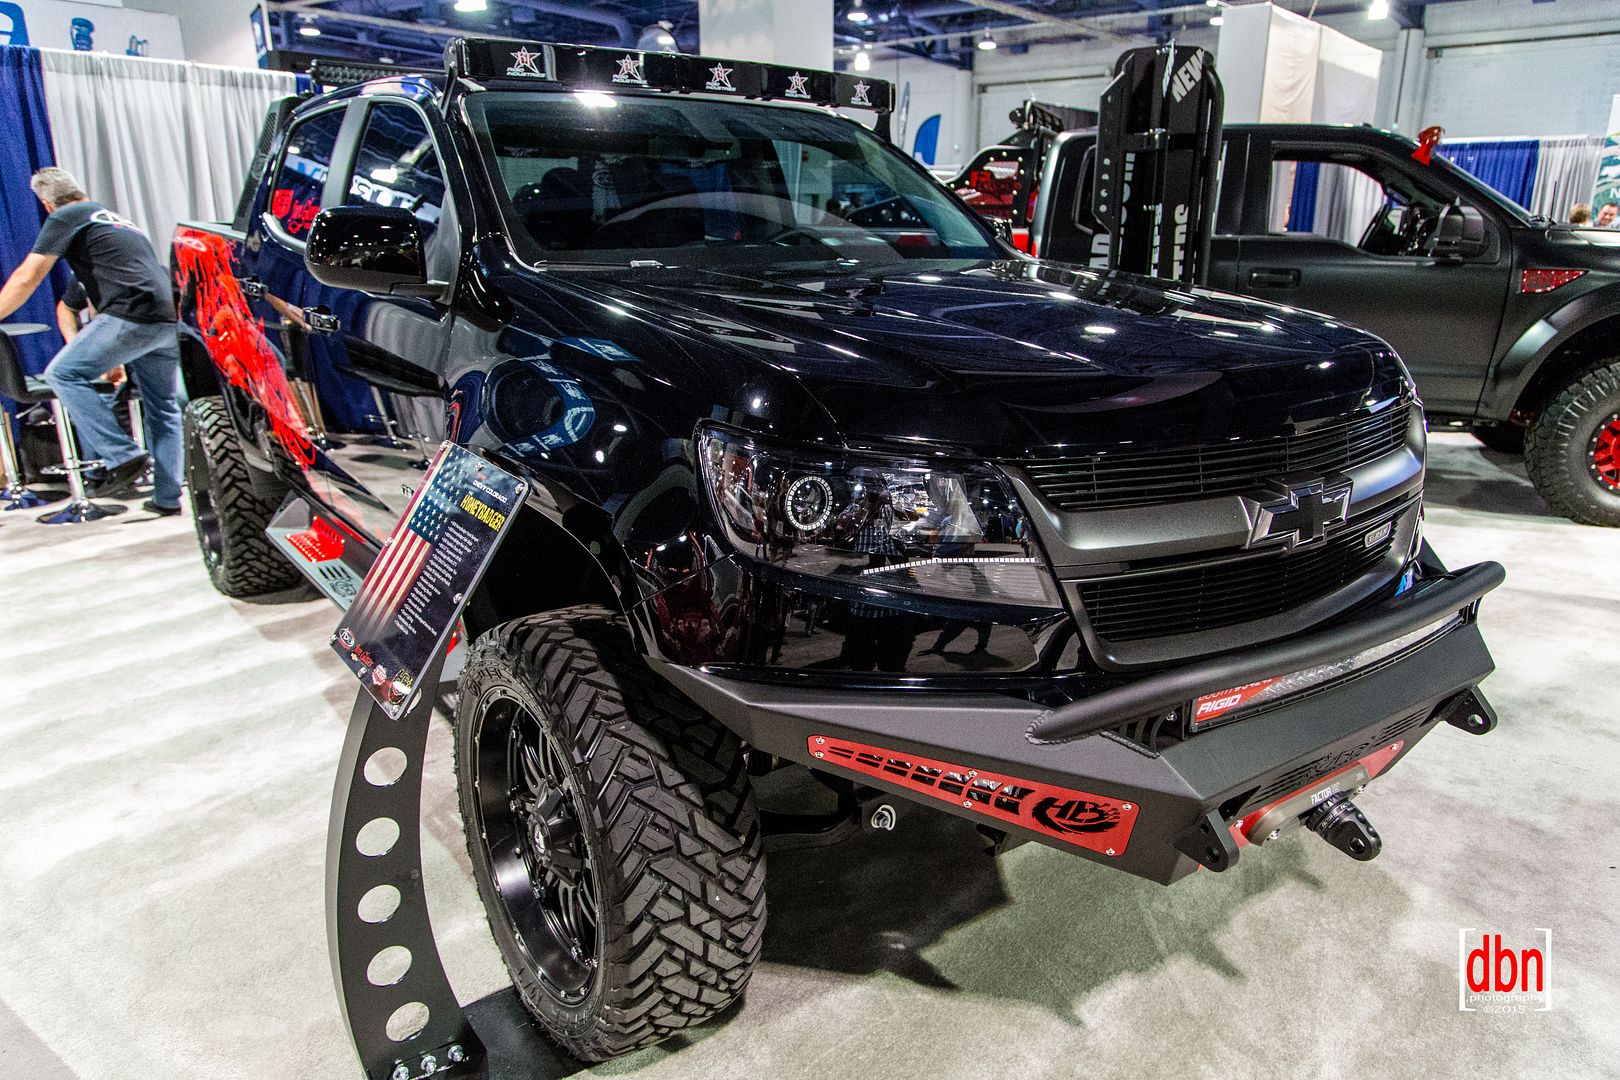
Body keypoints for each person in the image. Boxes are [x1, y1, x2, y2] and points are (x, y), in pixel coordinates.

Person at [0, 167, 183, 515]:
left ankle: (122, 454)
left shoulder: (68, 216)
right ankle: (167, 498)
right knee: (162, 409)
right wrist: (111, 353)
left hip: (131, 315)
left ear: (46, 203)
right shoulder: (116, 219)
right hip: (164, 320)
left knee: (63, 374)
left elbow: (28, 276)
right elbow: (105, 289)